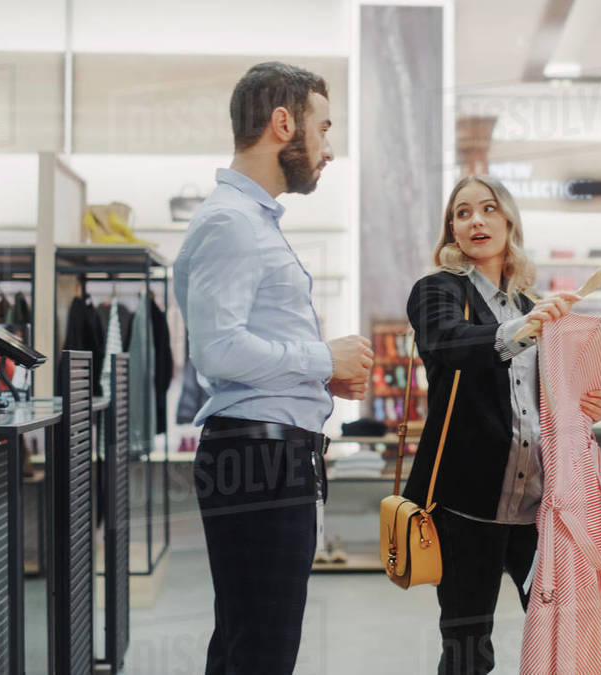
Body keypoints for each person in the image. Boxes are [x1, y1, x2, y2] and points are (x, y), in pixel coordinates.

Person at [173, 61, 374, 674]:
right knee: (261, 648)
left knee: (248, 640)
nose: (328, 149)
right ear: (283, 124)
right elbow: (218, 350)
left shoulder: (247, 220)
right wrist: (321, 358)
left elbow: (241, 342)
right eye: (324, 128)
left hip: (268, 453)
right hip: (259, 458)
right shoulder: (231, 223)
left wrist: (317, 376)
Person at [405, 174, 601, 674]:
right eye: (462, 213)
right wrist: (523, 330)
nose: (476, 220)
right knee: (468, 647)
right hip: (466, 506)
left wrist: (587, 404)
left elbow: (550, 397)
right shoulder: (439, 291)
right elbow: (449, 343)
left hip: (539, 506)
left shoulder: (529, 305)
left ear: (509, 221)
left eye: (488, 209)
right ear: (451, 231)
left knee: (562, 634)